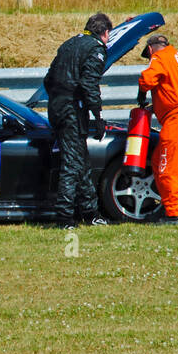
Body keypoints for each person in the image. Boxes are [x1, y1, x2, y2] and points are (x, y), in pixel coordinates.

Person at [43, 12, 112, 229]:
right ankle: (64, 218)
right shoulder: (95, 48)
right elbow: (89, 83)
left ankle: (90, 213)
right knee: (72, 164)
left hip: (56, 108)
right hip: (72, 111)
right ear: (105, 32)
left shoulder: (69, 44)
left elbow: (48, 79)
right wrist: (98, 116)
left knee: (81, 162)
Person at [136, 35, 178, 226]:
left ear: (150, 50)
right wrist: (157, 107)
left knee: (168, 169)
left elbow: (147, 79)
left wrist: (141, 94)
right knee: (161, 161)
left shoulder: (160, 58)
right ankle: (167, 208)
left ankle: (174, 216)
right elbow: (176, 91)